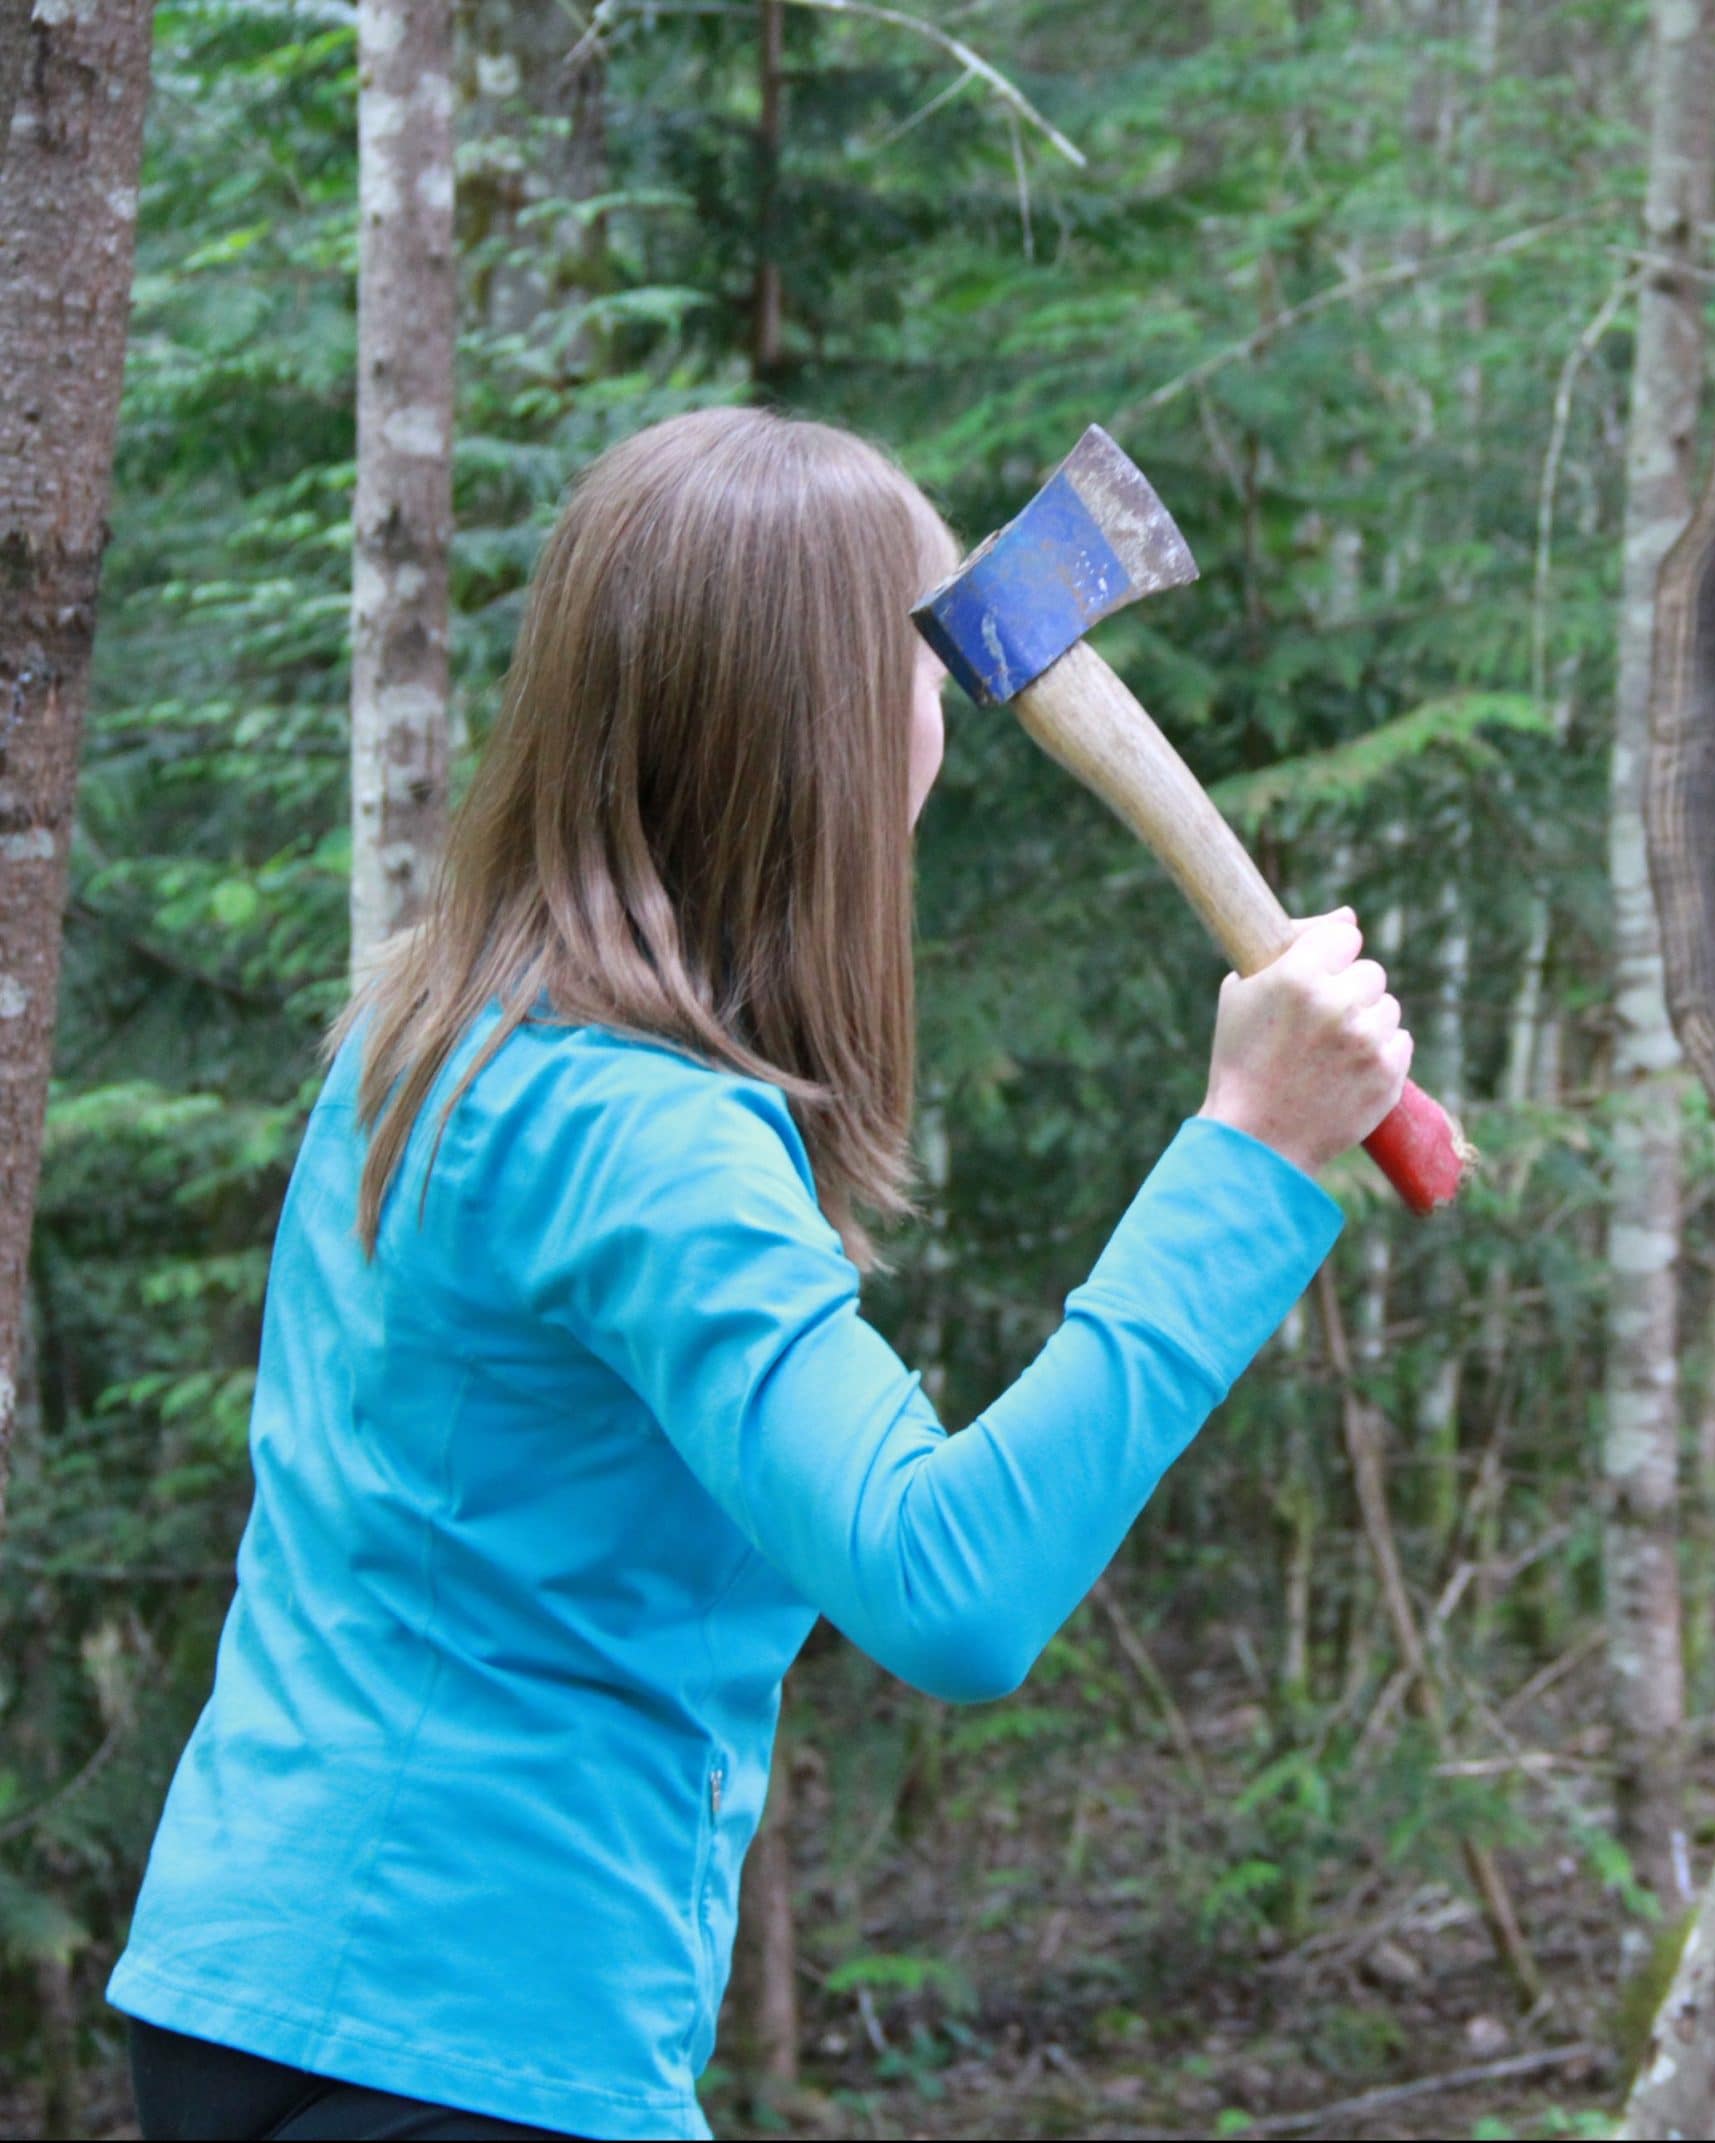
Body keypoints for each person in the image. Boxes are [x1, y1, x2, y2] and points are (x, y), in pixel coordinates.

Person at [105, 407, 1412, 2141]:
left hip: (240, 1994)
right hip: (470, 2053)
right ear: (839, 731)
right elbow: (950, 1583)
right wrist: (1245, 1150)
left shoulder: (430, 1032)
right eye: (925, 660)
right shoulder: (652, 1137)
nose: (951, 707)